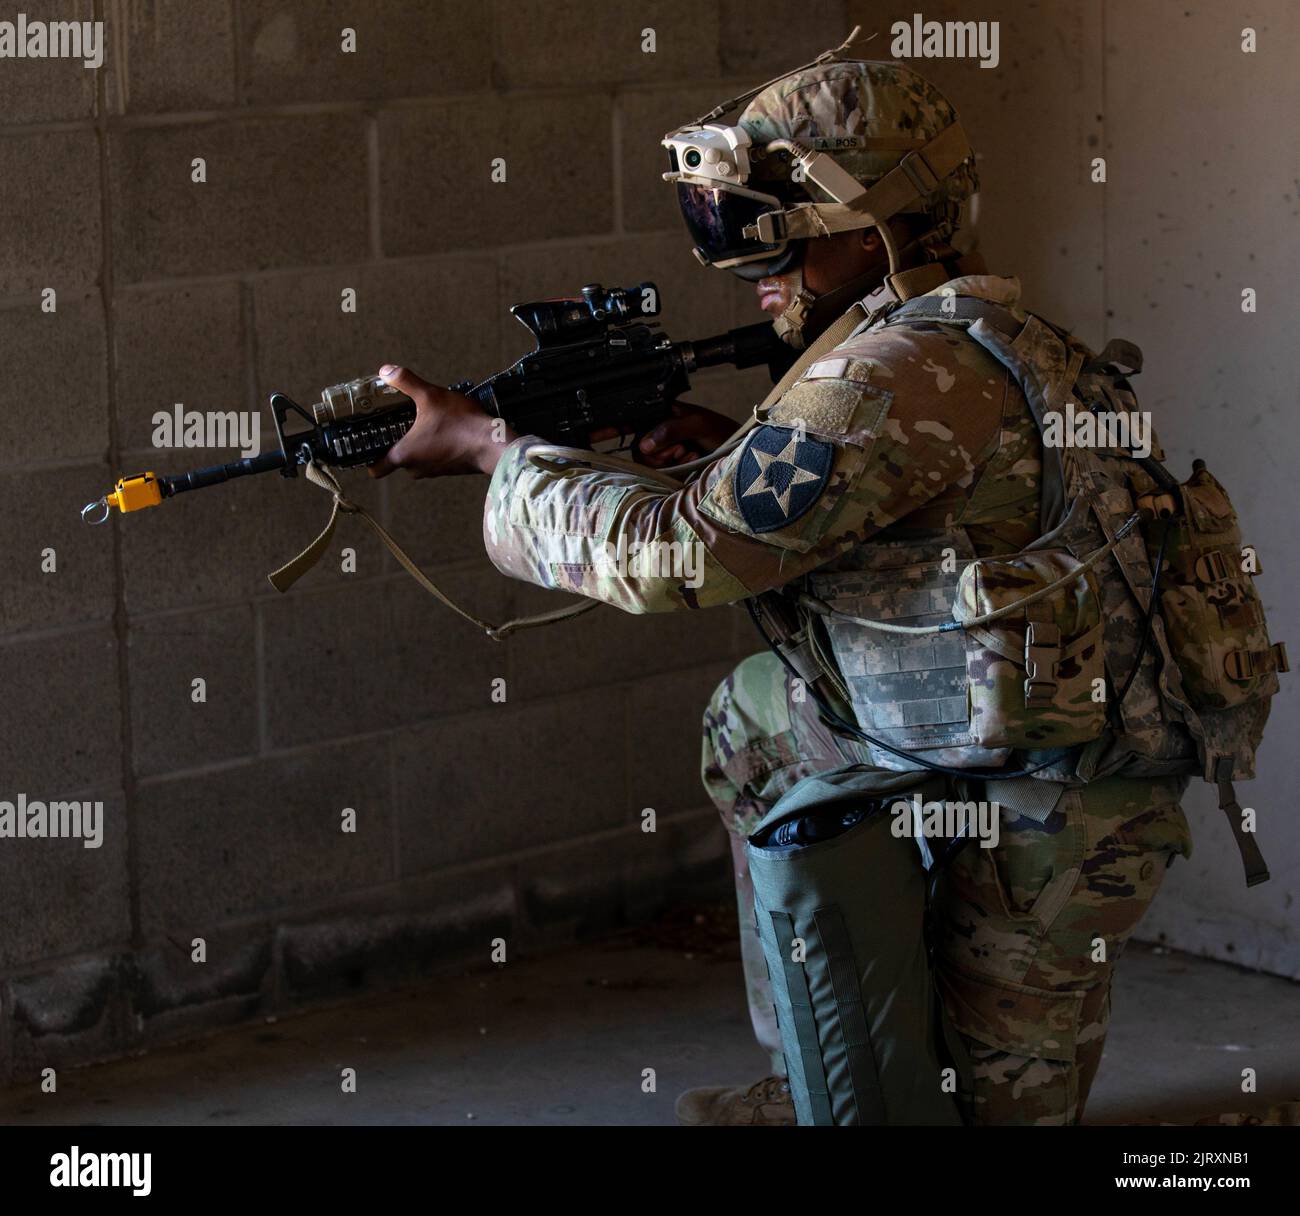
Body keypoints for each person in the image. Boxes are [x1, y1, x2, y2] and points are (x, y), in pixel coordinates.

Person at [367, 49, 1199, 1126]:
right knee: (755, 719)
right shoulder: (974, 334)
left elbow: (680, 555)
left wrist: (494, 451)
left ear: (876, 228)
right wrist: (731, 452)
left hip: (1066, 792)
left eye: (773, 237)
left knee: (989, 1114)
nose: (749, 271)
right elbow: (909, 514)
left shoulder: (890, 371)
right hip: (984, 724)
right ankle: (817, 1070)